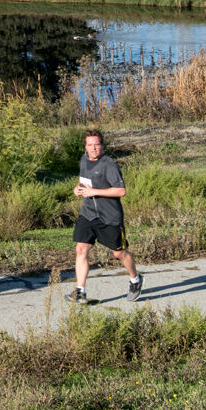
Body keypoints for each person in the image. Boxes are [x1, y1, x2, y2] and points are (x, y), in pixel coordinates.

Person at [71, 128, 142, 303]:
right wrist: (77, 189)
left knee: (119, 253)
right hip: (88, 214)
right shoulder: (84, 160)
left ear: (102, 145)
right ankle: (80, 292)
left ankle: (135, 279)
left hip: (109, 217)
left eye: (97, 145)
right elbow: (82, 180)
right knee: (81, 249)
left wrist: (94, 191)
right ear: (85, 146)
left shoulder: (109, 164)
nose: (93, 148)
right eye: (90, 145)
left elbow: (121, 191)